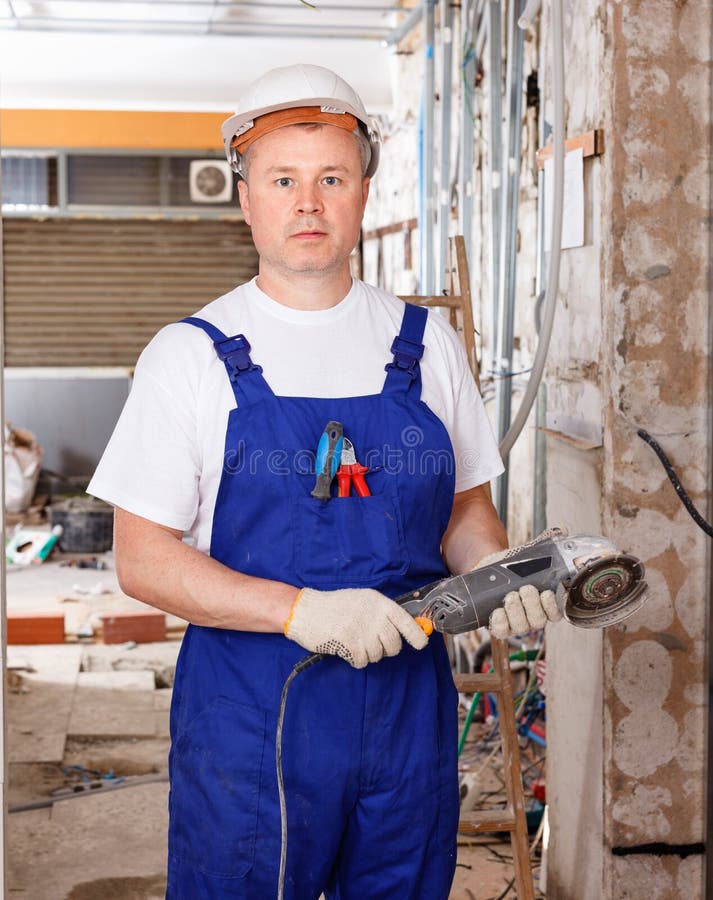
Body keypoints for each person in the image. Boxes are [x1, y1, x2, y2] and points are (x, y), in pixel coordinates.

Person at [88, 64, 560, 899]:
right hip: (250, 716)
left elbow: (463, 513)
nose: (307, 203)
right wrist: (303, 611)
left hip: (406, 709)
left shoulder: (427, 345)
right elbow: (144, 561)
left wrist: (499, 577)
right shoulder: (191, 355)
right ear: (246, 200)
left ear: (362, 193)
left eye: (330, 179)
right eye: (282, 180)